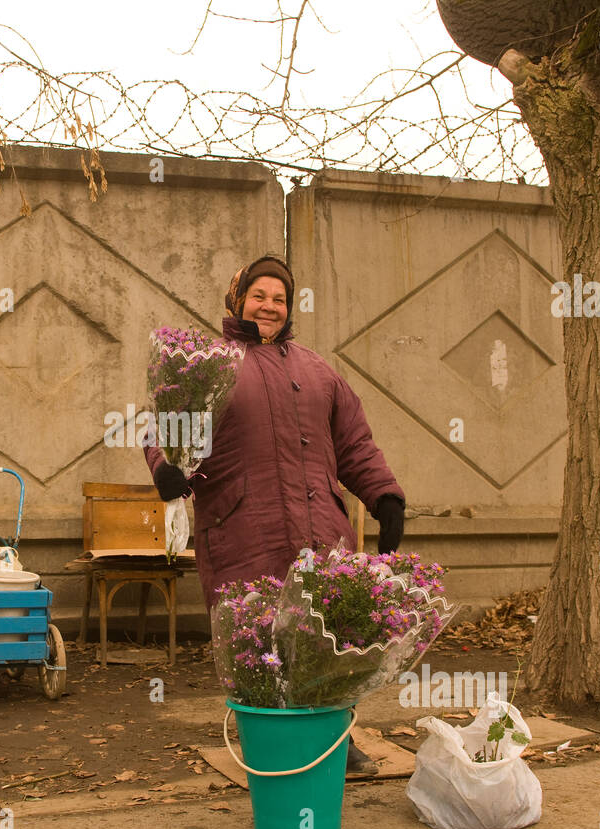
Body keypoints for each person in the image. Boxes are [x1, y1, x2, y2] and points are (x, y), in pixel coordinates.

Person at [142, 254, 406, 774]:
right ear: (237, 300)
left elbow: (354, 444)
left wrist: (385, 498)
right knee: (259, 642)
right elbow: (163, 428)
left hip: (321, 532)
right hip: (243, 530)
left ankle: (334, 739)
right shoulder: (208, 365)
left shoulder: (318, 371)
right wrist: (167, 469)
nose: (270, 306)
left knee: (327, 640)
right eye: (259, 295)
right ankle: (271, 745)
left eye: (279, 298)